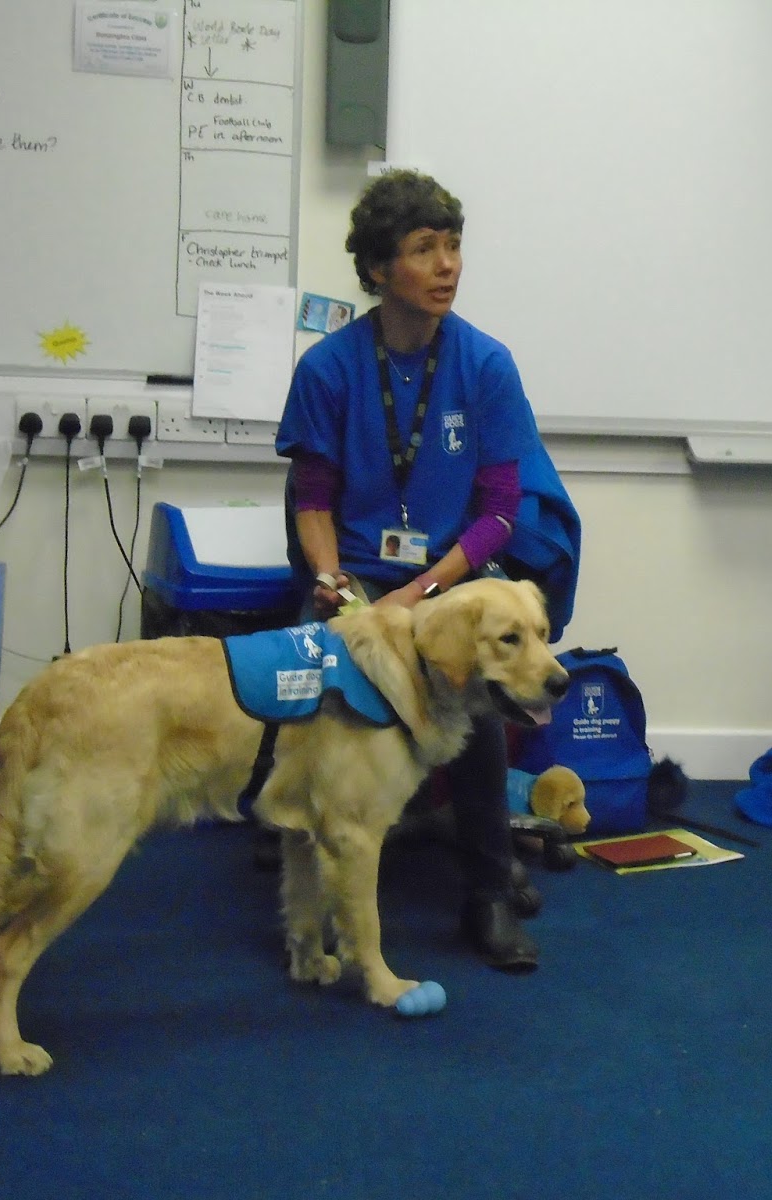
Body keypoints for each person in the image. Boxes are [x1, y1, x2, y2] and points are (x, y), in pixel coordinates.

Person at [275, 169, 544, 971]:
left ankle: (487, 893)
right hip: (354, 569)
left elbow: (501, 509)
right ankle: (292, 835)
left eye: (453, 246)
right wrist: (331, 583)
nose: (446, 265)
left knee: (483, 699)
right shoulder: (329, 369)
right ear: (378, 269)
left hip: (453, 574)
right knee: (303, 666)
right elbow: (312, 497)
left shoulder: (487, 365)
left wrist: (425, 591)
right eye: (424, 249)